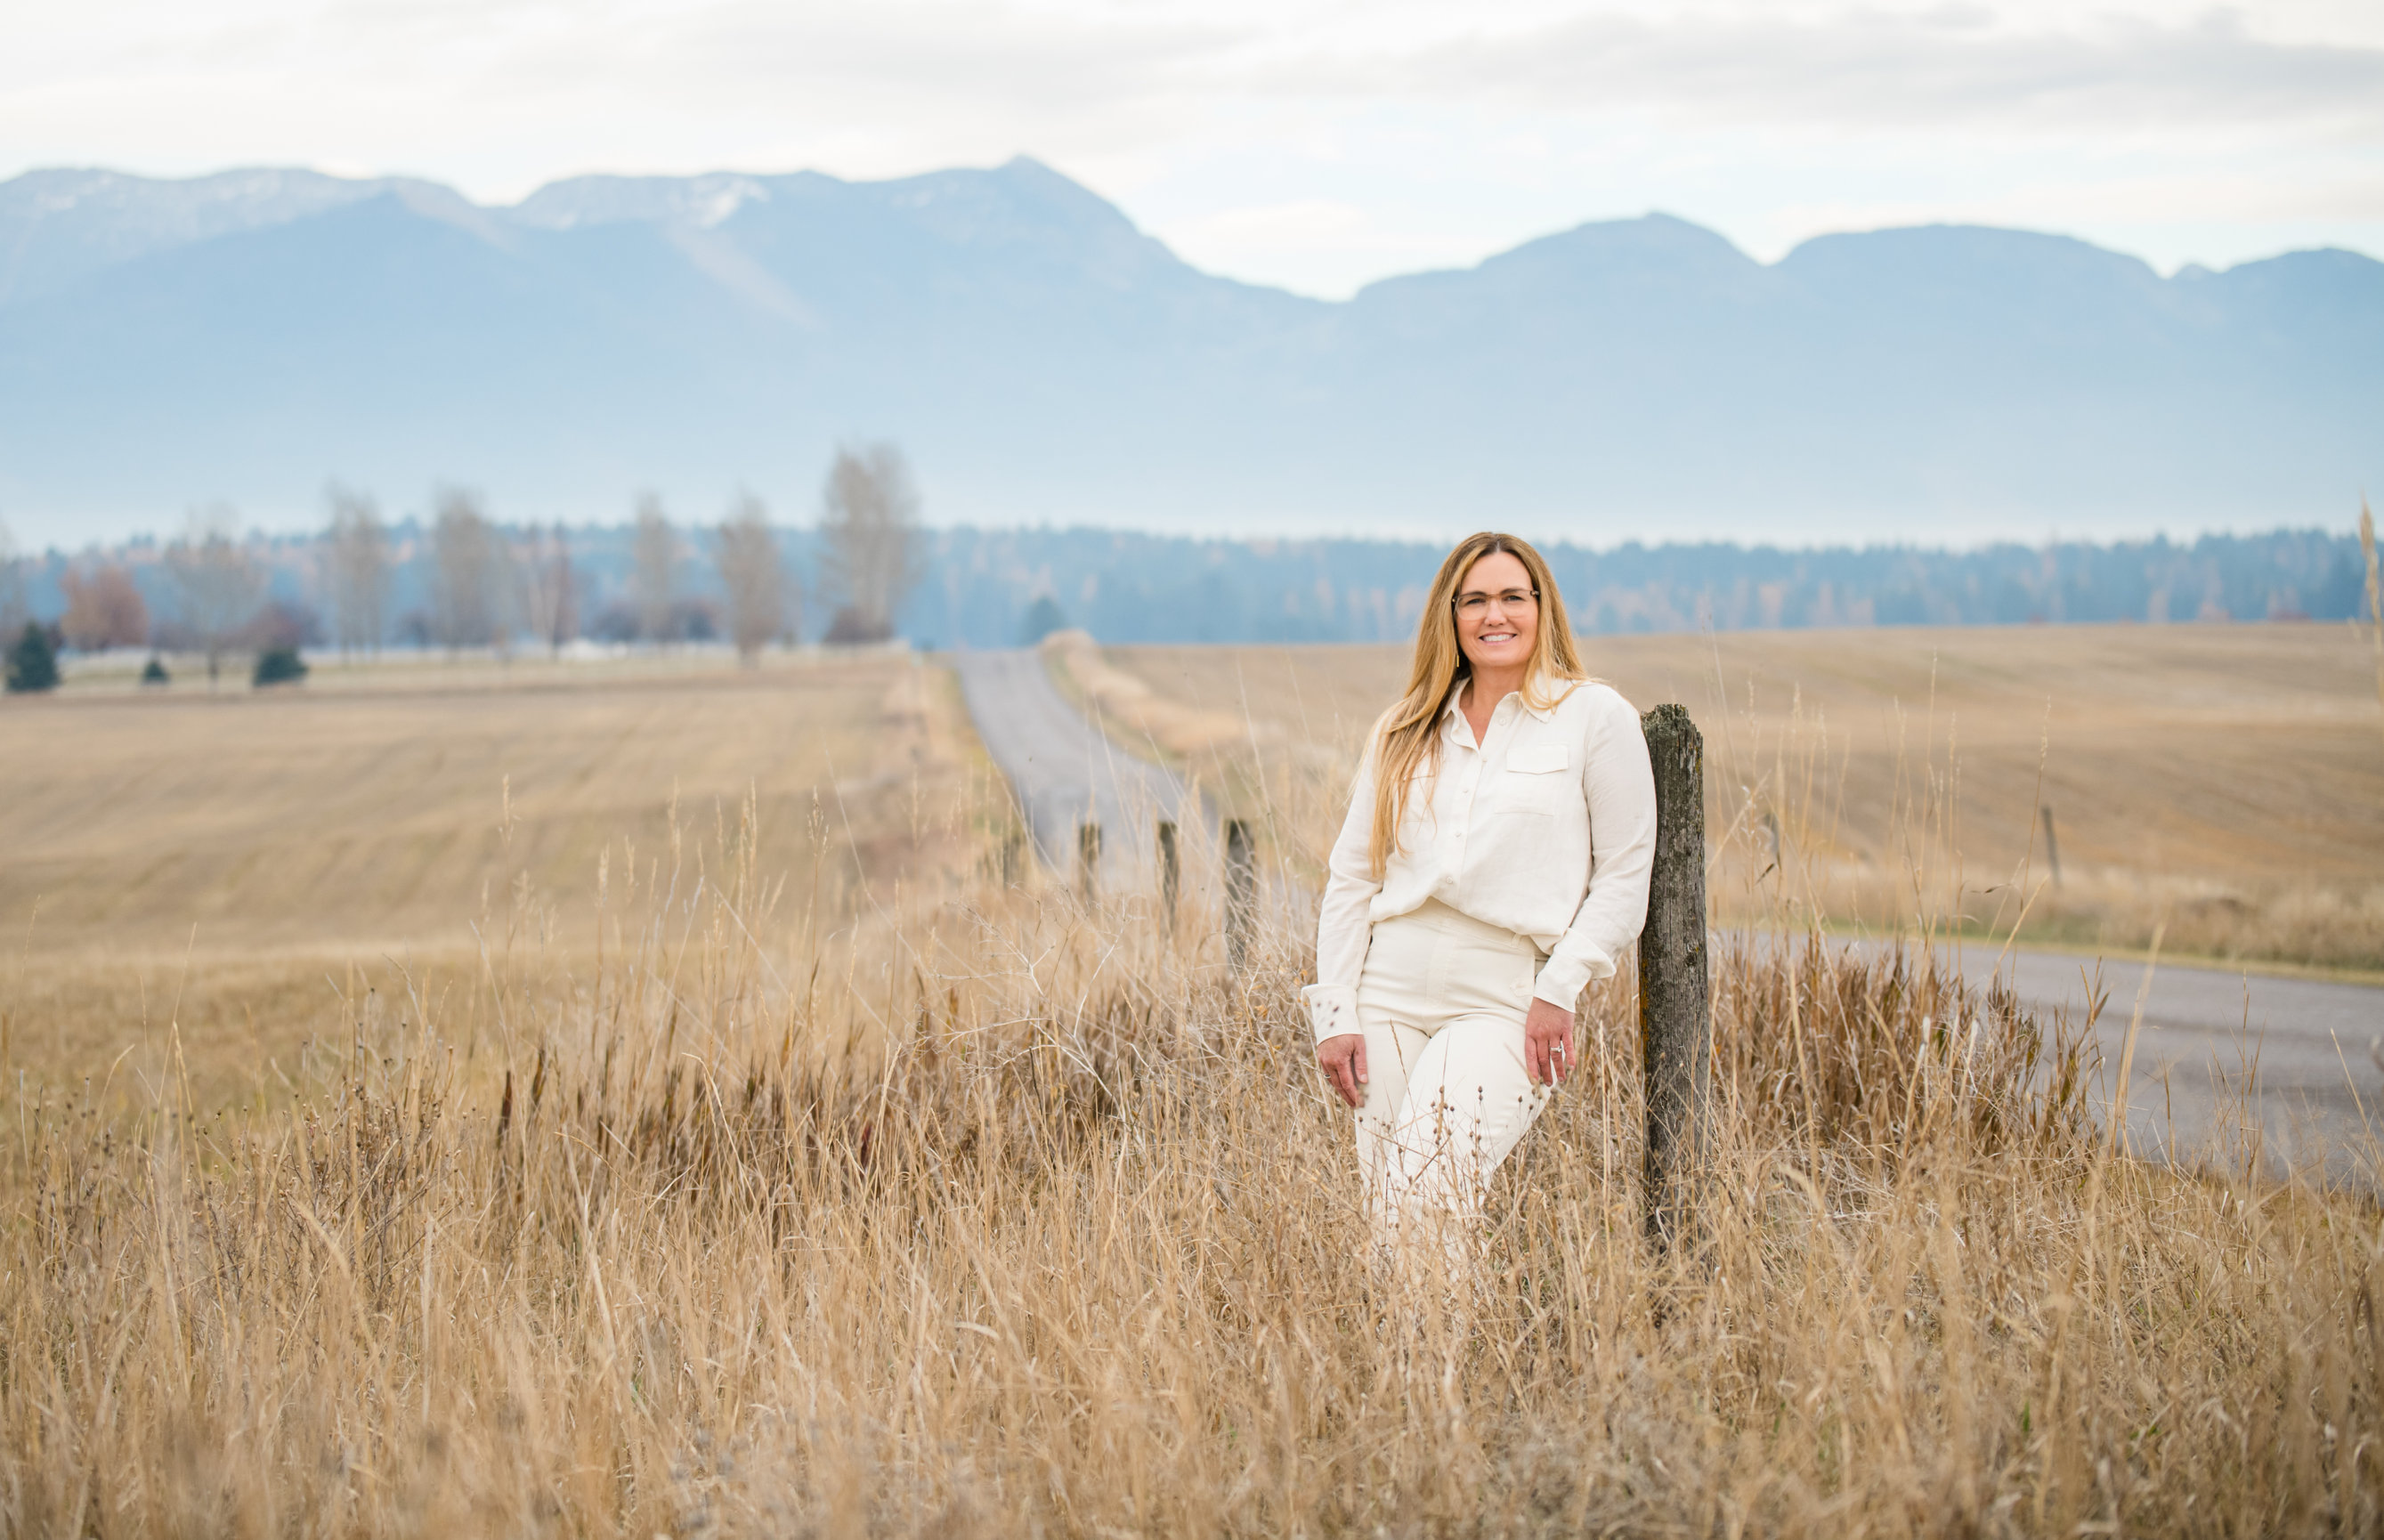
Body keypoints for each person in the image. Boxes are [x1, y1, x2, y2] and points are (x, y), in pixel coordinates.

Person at [1304, 531, 1657, 1271]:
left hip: (1505, 996)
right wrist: (1335, 1012)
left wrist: (1561, 989)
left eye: (1512, 597)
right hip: (1387, 989)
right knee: (1390, 1218)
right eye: (1475, 600)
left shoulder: (1594, 718)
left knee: (1428, 1188)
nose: (1494, 615)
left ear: (1541, 608)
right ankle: (1417, 1385)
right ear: (1450, 615)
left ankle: (1435, 1386)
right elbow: (1351, 878)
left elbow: (1626, 877)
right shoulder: (1404, 728)